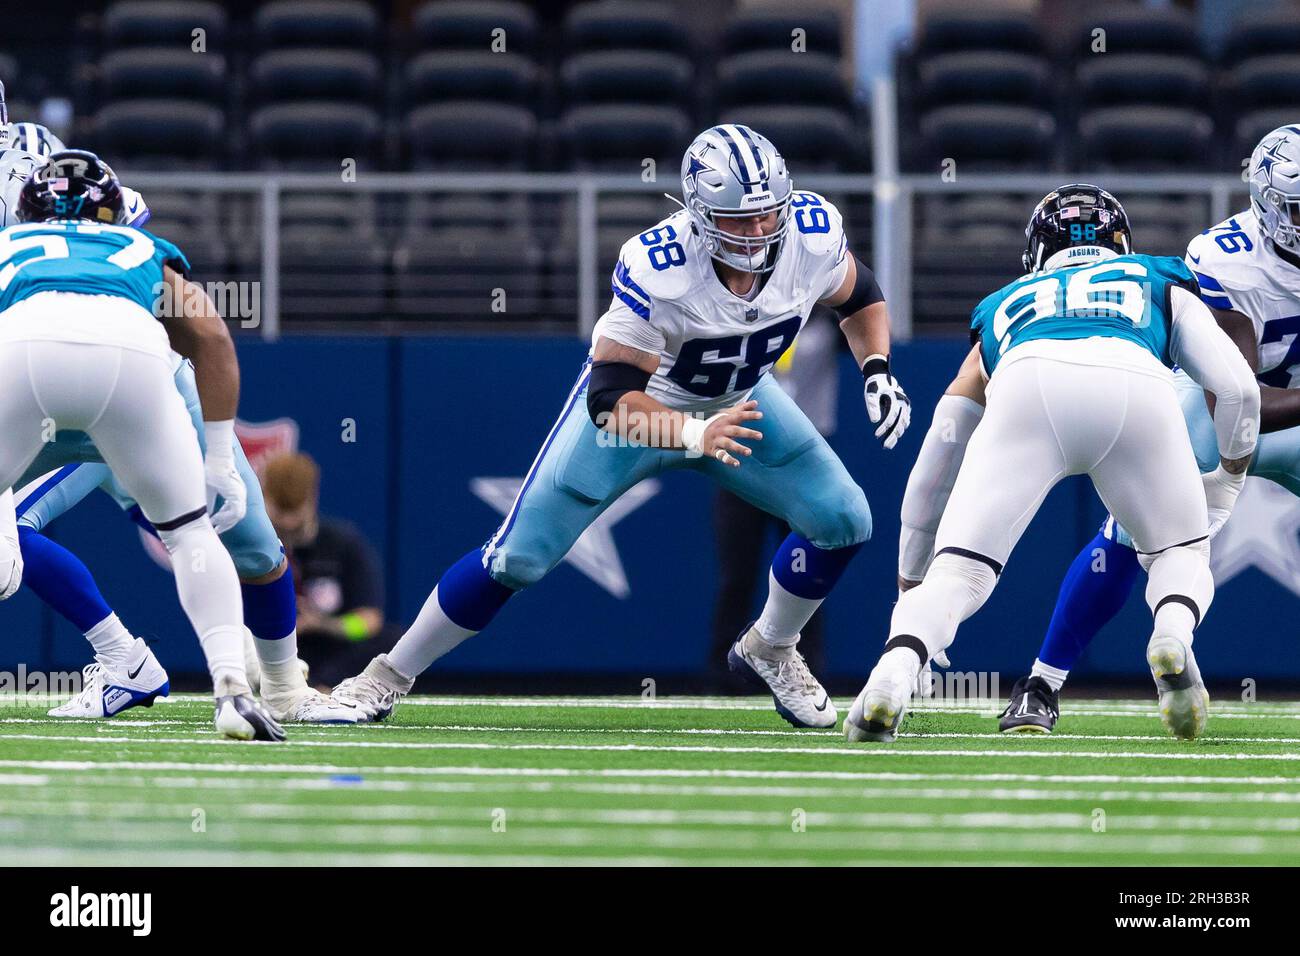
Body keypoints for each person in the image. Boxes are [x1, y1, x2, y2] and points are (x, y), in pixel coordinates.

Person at [333, 124, 912, 726]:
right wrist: (692, 434)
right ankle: (383, 677)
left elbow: (859, 293)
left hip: (740, 400)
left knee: (846, 519)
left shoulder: (810, 237)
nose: (759, 232)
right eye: (740, 220)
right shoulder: (660, 268)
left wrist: (876, 369)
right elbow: (611, 400)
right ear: (699, 213)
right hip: (640, 409)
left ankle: (771, 645)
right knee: (517, 558)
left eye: (768, 216)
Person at [848, 184, 1260, 744]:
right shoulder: (1158, 278)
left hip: (1027, 384)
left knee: (960, 575)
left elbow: (937, 457)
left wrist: (913, 589)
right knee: (1179, 552)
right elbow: (1239, 390)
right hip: (1135, 382)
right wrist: (1231, 477)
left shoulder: (1004, 305)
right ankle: (1171, 633)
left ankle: (893, 673)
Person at [0, 82, 355, 725]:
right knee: (201, 530)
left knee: (254, 547)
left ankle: (277, 686)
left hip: (42, 377)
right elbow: (203, 326)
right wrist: (217, 455)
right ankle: (185, 676)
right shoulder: (106, 204)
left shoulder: (46, 198)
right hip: (137, 379)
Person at [997, 126, 1300, 733]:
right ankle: (1043, 681)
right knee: (1133, 537)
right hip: (1214, 406)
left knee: (1134, 538)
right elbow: (1238, 397)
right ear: (1268, 203)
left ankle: (1040, 690)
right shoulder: (1230, 258)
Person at [262, 452, 397, 689]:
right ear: (264, 497)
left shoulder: (343, 543)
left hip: (331, 651)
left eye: (295, 510)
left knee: (393, 639)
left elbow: (369, 621)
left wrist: (320, 623)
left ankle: (322, 686)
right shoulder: (253, 546)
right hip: (273, 649)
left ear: (312, 498)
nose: (288, 522)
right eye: (280, 511)